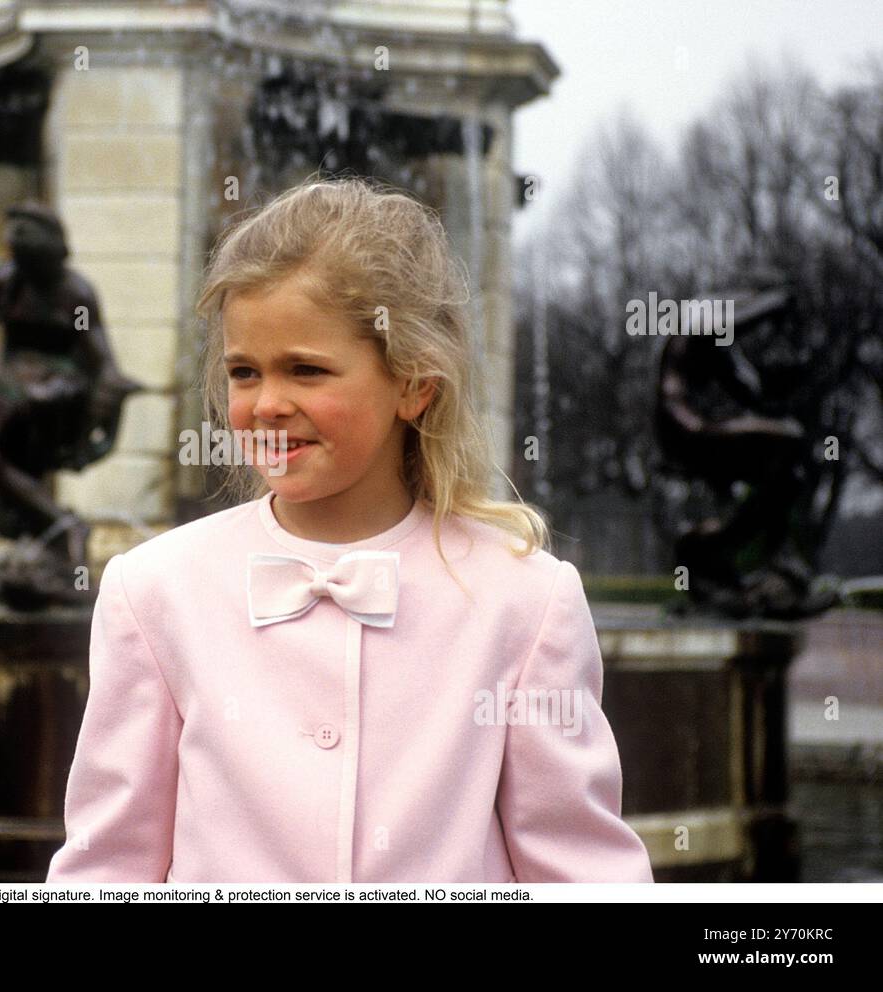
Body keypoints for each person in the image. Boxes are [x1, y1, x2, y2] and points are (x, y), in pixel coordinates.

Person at [45, 174, 654, 883]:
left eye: (306, 370)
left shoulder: (525, 599)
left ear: (414, 384)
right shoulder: (151, 590)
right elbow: (107, 869)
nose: (266, 404)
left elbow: (582, 872)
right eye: (244, 372)